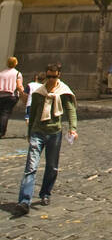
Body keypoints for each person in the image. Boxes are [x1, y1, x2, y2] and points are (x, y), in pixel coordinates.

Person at [14, 63, 77, 216]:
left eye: (53, 76)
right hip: (37, 132)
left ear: (58, 76)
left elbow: (70, 109)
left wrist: (73, 128)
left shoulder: (63, 91)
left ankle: (45, 193)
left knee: (52, 166)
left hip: (54, 133)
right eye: (48, 76)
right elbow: (33, 112)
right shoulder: (38, 92)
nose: (50, 79)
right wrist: (29, 133)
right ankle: (24, 200)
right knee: (31, 166)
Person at [0, 56, 24, 138]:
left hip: (1, 95)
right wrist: (23, 94)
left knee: (1, 113)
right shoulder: (17, 73)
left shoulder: (1, 73)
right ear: (16, 63)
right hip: (11, 96)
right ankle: (1, 132)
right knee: (5, 113)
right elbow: (19, 85)